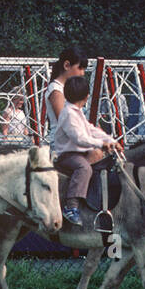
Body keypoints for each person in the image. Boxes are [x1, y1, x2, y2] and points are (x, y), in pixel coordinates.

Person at [51, 75, 119, 225]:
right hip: (68, 155)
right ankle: (71, 206)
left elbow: (90, 129)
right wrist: (101, 144)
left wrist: (111, 141)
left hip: (79, 152)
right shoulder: (69, 113)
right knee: (84, 168)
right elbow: (79, 138)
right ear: (86, 96)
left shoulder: (76, 111)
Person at [45, 47, 89, 136]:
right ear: (67, 65)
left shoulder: (71, 88)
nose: (82, 73)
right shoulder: (56, 89)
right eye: (80, 68)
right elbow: (64, 122)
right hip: (62, 142)